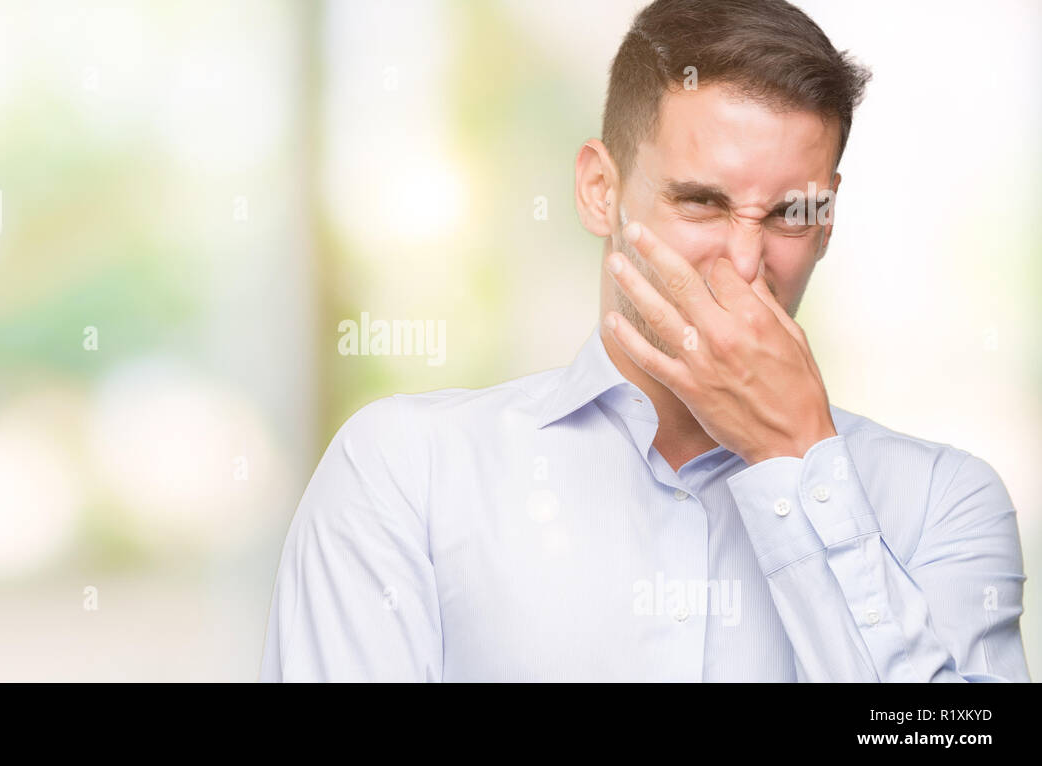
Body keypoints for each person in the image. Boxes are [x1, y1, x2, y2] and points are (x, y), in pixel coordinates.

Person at [258, 0, 1029, 681]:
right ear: (601, 189)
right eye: (701, 201)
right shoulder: (405, 474)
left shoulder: (943, 504)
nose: (745, 261)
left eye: (791, 212)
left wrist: (799, 457)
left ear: (827, 220)